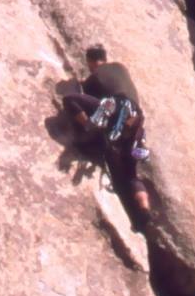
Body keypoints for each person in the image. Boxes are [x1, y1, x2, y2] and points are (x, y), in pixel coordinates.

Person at [62, 44, 155, 215]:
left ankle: (90, 128)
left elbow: (88, 96)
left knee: (69, 100)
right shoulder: (121, 68)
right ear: (105, 58)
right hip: (135, 121)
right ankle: (144, 207)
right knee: (131, 175)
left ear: (90, 62)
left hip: (115, 110)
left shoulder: (94, 77)